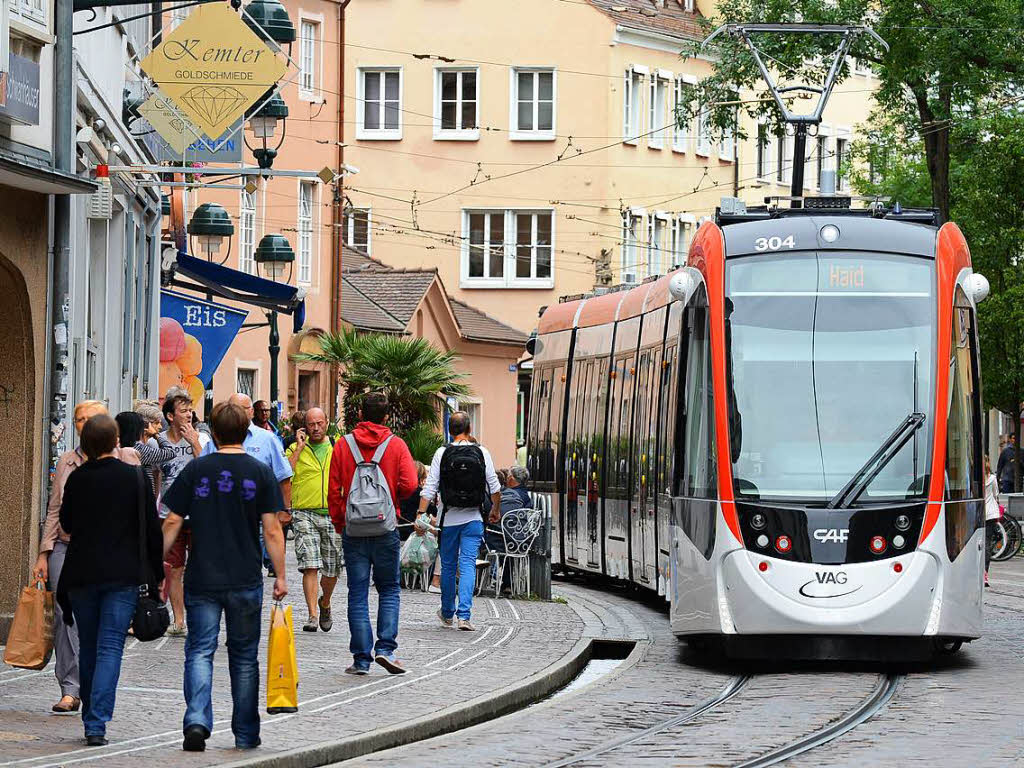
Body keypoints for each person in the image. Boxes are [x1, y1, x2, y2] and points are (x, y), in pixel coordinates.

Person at [162, 402, 287, 753]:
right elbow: (272, 530)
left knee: (200, 650)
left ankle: (196, 720)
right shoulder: (260, 472)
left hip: (203, 576)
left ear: (213, 433)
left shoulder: (197, 469)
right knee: (244, 656)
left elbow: (172, 520)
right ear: (246, 432)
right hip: (245, 576)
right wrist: (280, 575)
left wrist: (156, 562)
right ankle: (245, 732)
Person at [57, 414, 162, 746]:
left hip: (82, 574)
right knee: (110, 646)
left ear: (86, 444)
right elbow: (152, 529)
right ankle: (96, 722)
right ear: (116, 441)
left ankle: (91, 714)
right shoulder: (134, 478)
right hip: (122, 575)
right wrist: (157, 575)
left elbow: (66, 524)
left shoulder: (77, 478)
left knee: (88, 645)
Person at [33, 400, 140, 715]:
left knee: (102, 624)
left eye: (89, 419)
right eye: (78, 419)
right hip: (68, 547)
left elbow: (141, 507)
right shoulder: (68, 461)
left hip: (111, 551)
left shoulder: (127, 458)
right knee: (65, 617)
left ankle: (95, 686)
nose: (83, 425)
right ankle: (70, 688)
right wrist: (44, 552)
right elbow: (56, 510)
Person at [328, 392, 417, 675]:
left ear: (360, 414)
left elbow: (333, 490)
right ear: (386, 416)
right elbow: (410, 484)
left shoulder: (343, 445)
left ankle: (361, 660)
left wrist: (340, 522)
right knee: (389, 589)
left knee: (357, 592)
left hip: (353, 529)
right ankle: (386, 649)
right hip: (385, 527)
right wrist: (392, 499)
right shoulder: (396, 445)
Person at [418, 412, 501, 632]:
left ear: (449, 429)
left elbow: (430, 488)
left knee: (447, 566)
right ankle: (464, 616)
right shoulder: (482, 452)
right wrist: (495, 509)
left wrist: (420, 514)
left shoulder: (442, 452)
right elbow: (494, 486)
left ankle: (447, 613)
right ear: (469, 428)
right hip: (474, 518)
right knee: (467, 565)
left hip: (448, 519)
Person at [202, 393, 293, 576]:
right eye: (231, 409)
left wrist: (286, 509)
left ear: (251, 412)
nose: (234, 414)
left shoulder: (267, 439)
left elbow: (283, 477)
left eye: (239, 409)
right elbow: (202, 470)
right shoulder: (216, 439)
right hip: (222, 515)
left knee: (249, 567)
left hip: (256, 515)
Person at [285, 407, 343, 633]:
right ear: (304, 427)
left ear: (327, 422)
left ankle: (324, 602)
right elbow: (284, 473)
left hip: (332, 513)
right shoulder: (294, 448)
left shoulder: (338, 447)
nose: (316, 428)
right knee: (310, 565)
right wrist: (299, 448)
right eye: (311, 424)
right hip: (304, 512)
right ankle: (312, 615)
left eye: (319, 423)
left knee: (332, 569)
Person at [160, 390, 211, 636]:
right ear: (170, 416)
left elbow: (208, 467)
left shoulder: (203, 438)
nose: (189, 415)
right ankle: (179, 620)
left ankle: (198, 618)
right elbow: (155, 476)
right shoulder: (159, 441)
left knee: (200, 569)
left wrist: (194, 442)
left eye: (190, 410)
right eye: (183, 411)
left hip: (198, 514)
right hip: (168, 514)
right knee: (174, 569)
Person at [118, 410, 176, 497]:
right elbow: (171, 452)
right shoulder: (137, 449)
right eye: (156, 423)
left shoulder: (119, 447)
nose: (160, 427)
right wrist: (156, 435)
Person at [985, 454, 1000, 587]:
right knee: (987, 544)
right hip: (990, 514)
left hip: (977, 514)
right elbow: (996, 494)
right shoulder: (992, 479)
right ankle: (985, 574)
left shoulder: (973, 479)